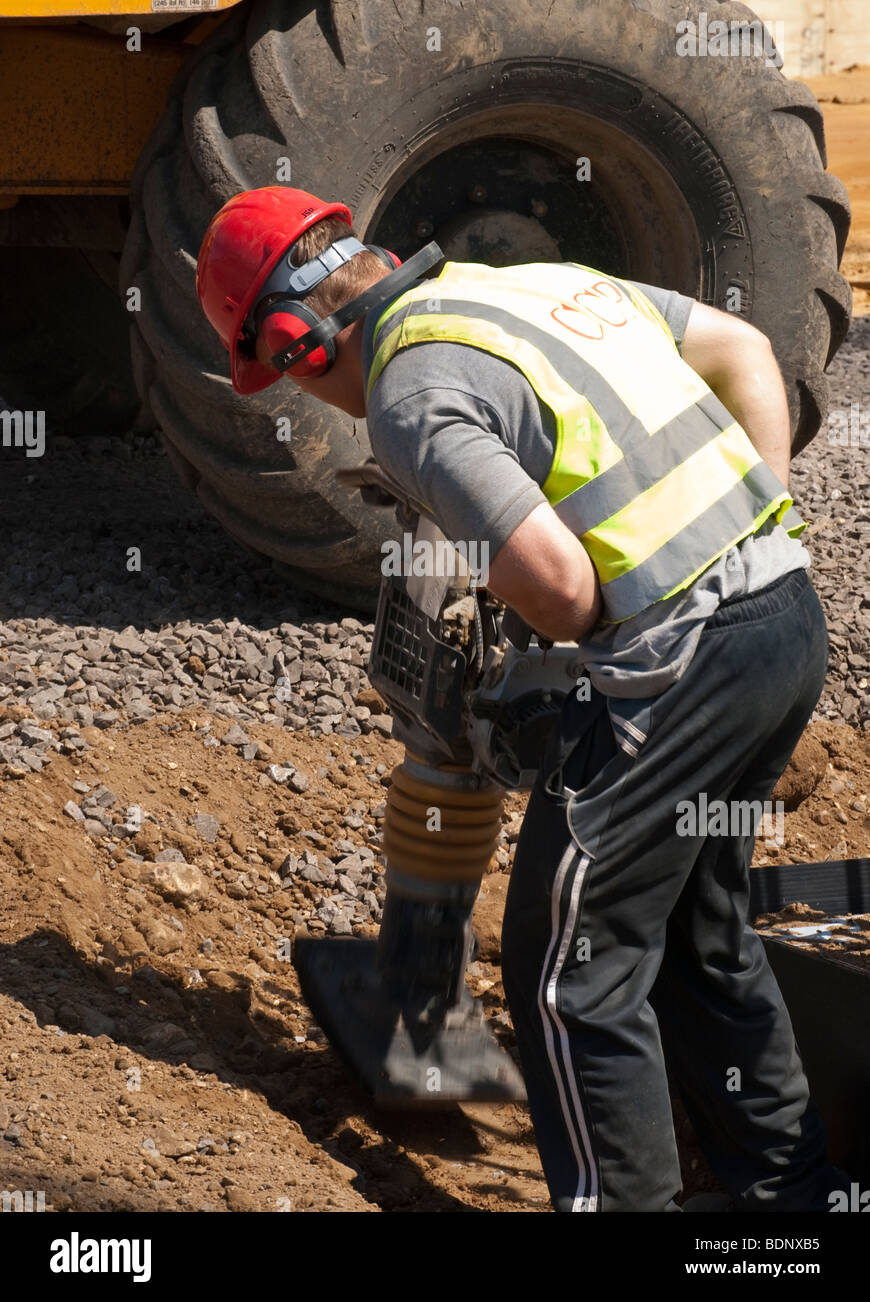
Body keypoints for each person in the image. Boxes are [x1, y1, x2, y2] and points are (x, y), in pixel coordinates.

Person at [196, 185, 847, 1213]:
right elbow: (744, 350)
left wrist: (584, 671)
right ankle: (795, 1202)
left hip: (681, 670)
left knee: (567, 967)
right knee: (694, 929)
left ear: (296, 343)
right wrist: (745, 541)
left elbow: (559, 584)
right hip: (783, 620)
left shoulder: (411, 393)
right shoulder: (529, 283)